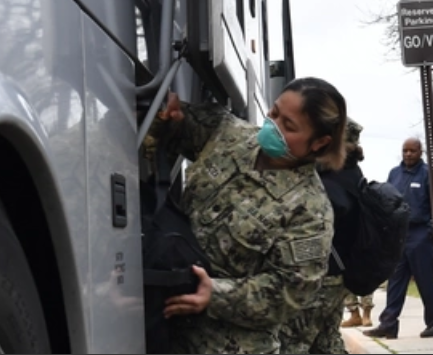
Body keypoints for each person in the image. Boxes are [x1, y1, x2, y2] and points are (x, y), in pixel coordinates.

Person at [146, 77, 347, 354]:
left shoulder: (311, 212)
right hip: (163, 318)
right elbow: (178, 123)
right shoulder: (228, 134)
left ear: (319, 142)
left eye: (289, 126)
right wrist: (170, 116)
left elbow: (290, 292)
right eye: (274, 112)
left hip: (226, 344)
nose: (273, 126)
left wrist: (215, 294)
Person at [279, 118, 367, 354]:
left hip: (323, 276)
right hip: (337, 275)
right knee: (327, 343)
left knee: (293, 343)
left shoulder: (331, 180)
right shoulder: (352, 174)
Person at [363, 137, 433, 340]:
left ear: (421, 152)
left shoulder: (429, 174)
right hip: (398, 235)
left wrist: (432, 231)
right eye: (405, 151)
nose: (408, 154)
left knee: (425, 281)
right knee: (395, 281)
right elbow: (387, 200)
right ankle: (388, 324)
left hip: (421, 236)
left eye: (412, 151)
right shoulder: (395, 173)